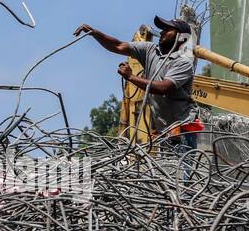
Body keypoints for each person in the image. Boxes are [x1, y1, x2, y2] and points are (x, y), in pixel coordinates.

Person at [74, 16, 202, 175]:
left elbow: (164, 88)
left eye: (167, 30)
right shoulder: (150, 50)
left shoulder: (183, 62)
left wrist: (131, 77)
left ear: (182, 38)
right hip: (165, 131)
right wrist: (95, 33)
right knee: (168, 178)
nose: (161, 32)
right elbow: (119, 45)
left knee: (184, 181)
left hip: (183, 129)